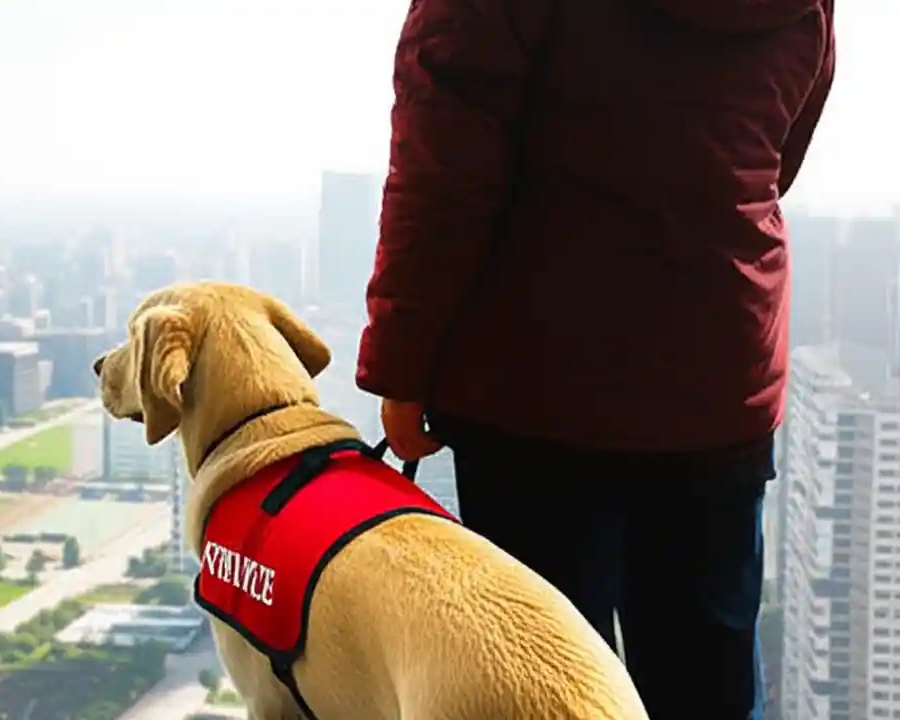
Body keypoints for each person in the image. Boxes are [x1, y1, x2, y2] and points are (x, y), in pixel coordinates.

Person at [357, 1, 835, 718]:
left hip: (537, 391)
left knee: (538, 685)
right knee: (707, 684)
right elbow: (774, 153)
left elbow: (444, 175)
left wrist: (401, 365)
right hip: (714, 381)